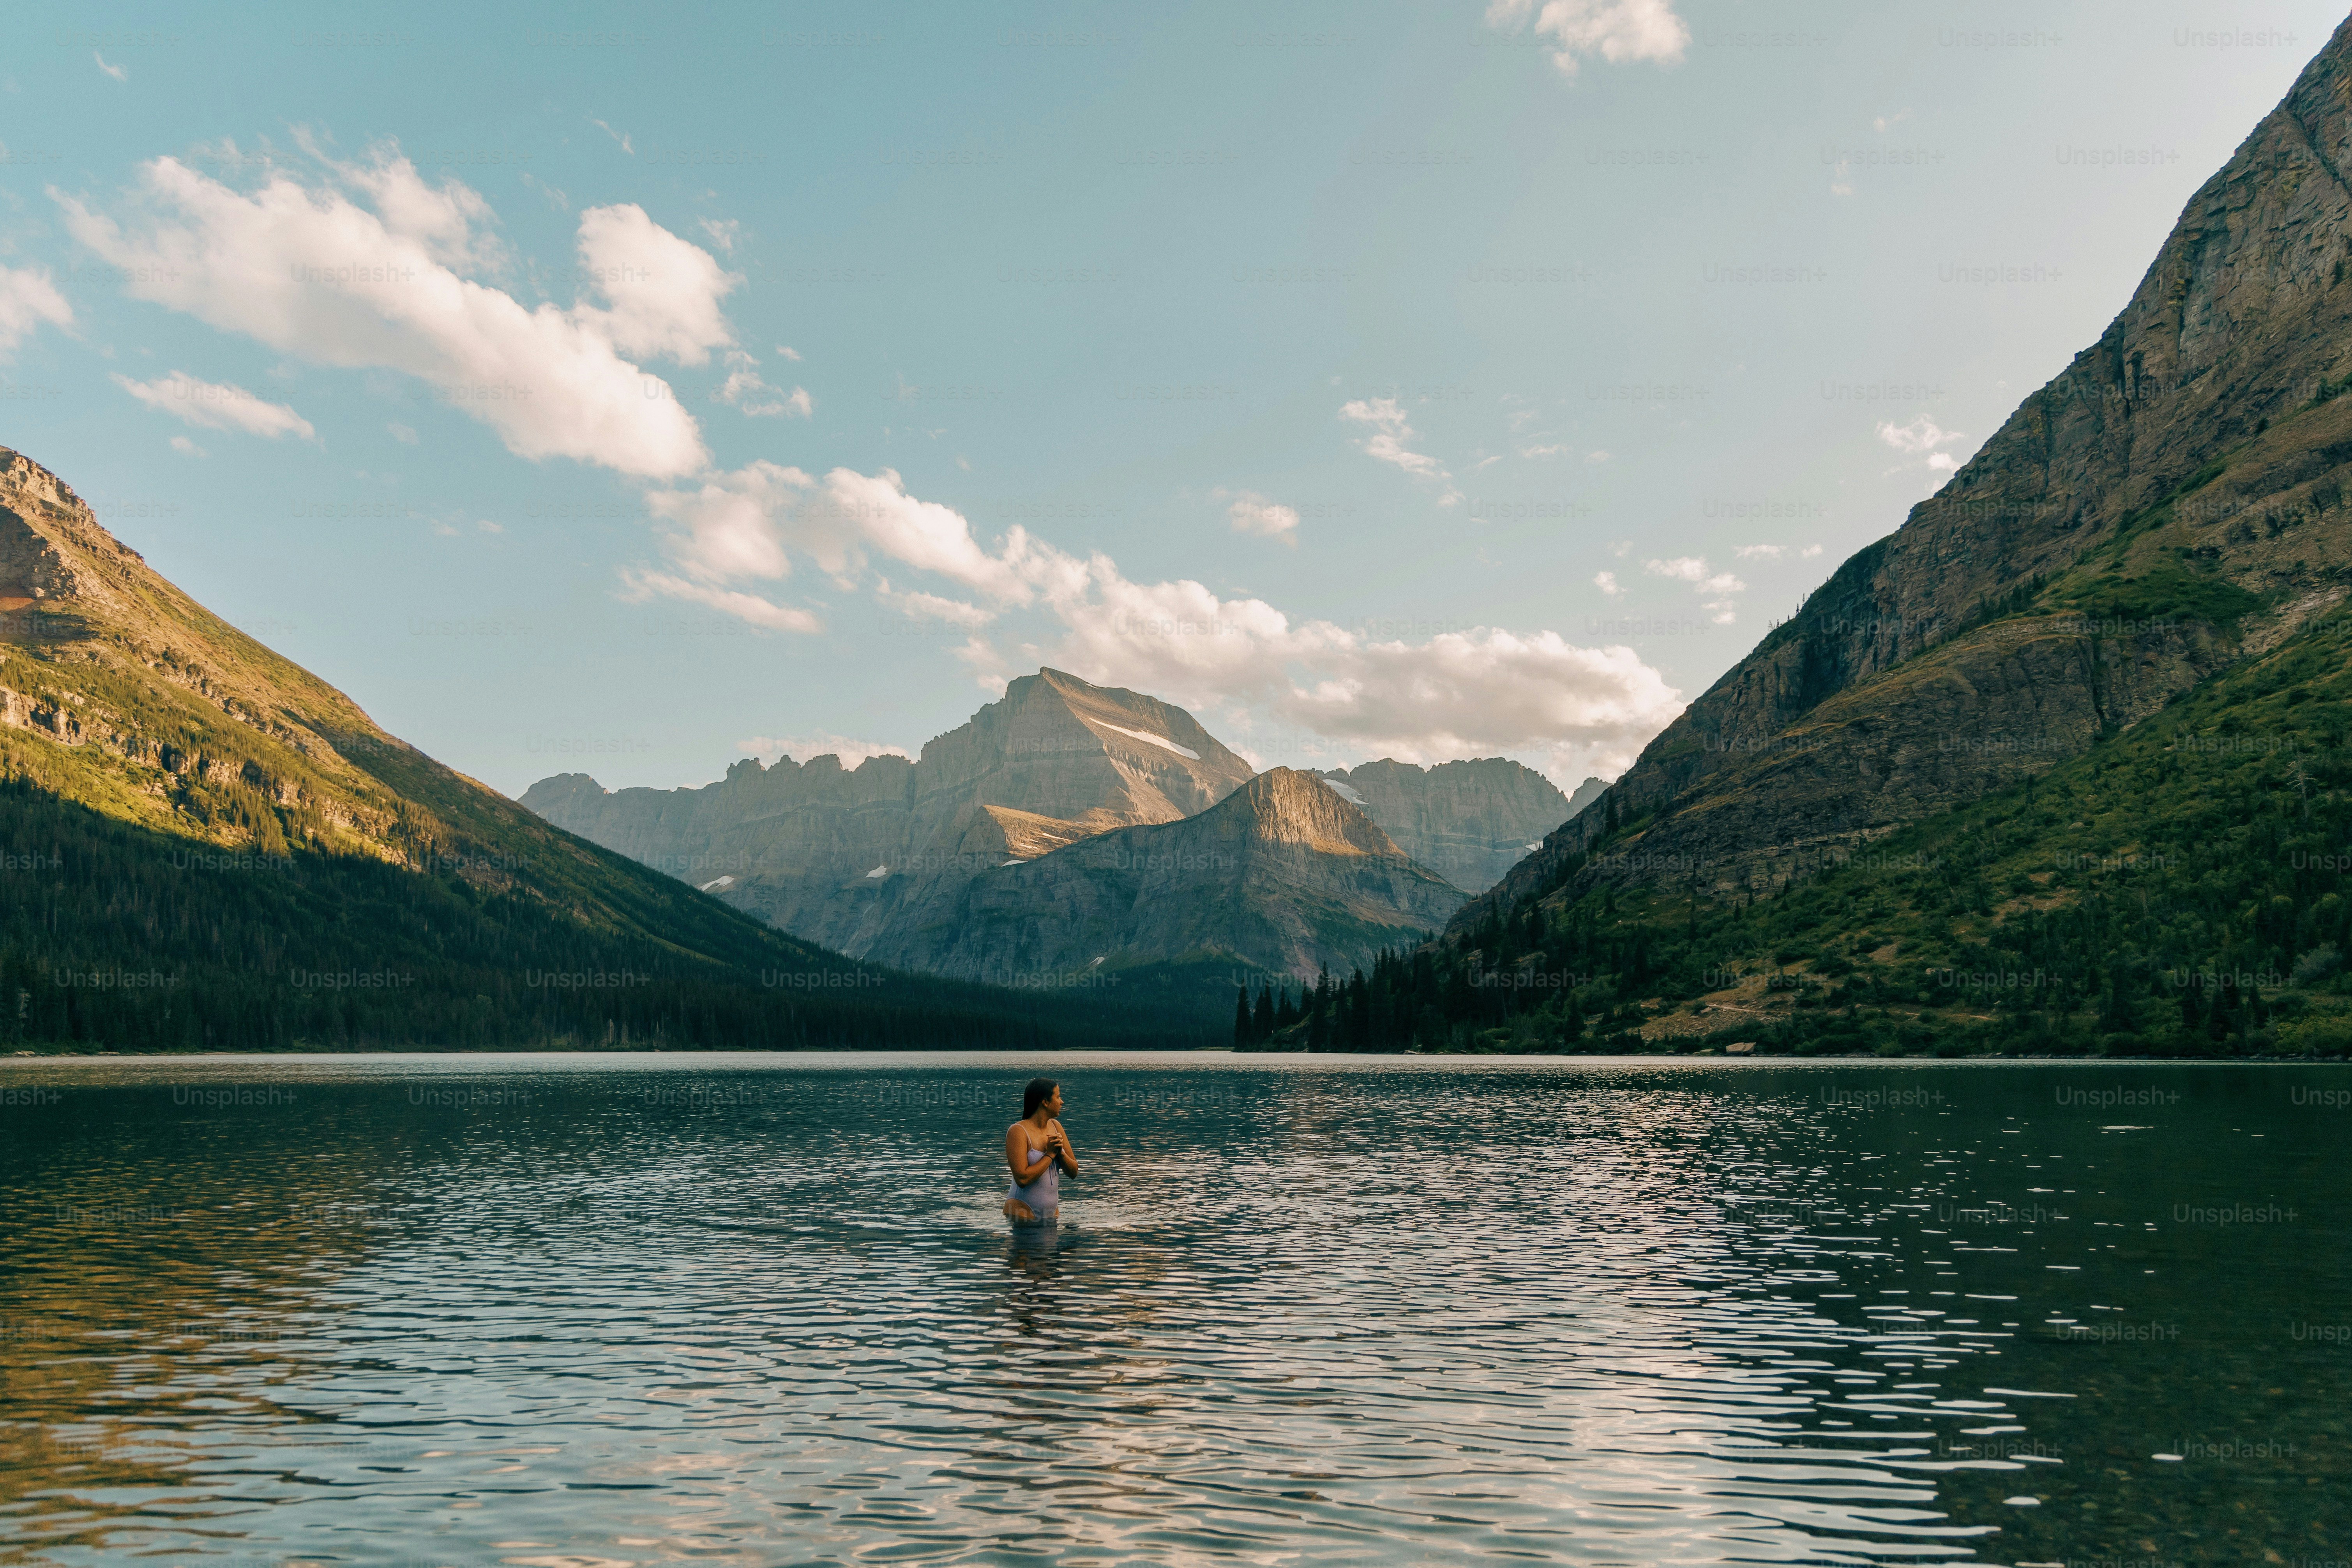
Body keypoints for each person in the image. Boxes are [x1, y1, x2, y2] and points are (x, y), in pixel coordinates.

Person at [1003, 1077, 1078, 1224]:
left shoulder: (1056, 1127)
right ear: (1045, 1102)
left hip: (1051, 1217)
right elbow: (1022, 1179)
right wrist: (1050, 1155)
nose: (1062, 1102)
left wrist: (1060, 1153)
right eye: (1057, 1097)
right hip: (1023, 1216)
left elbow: (1074, 1172)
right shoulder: (1018, 1131)